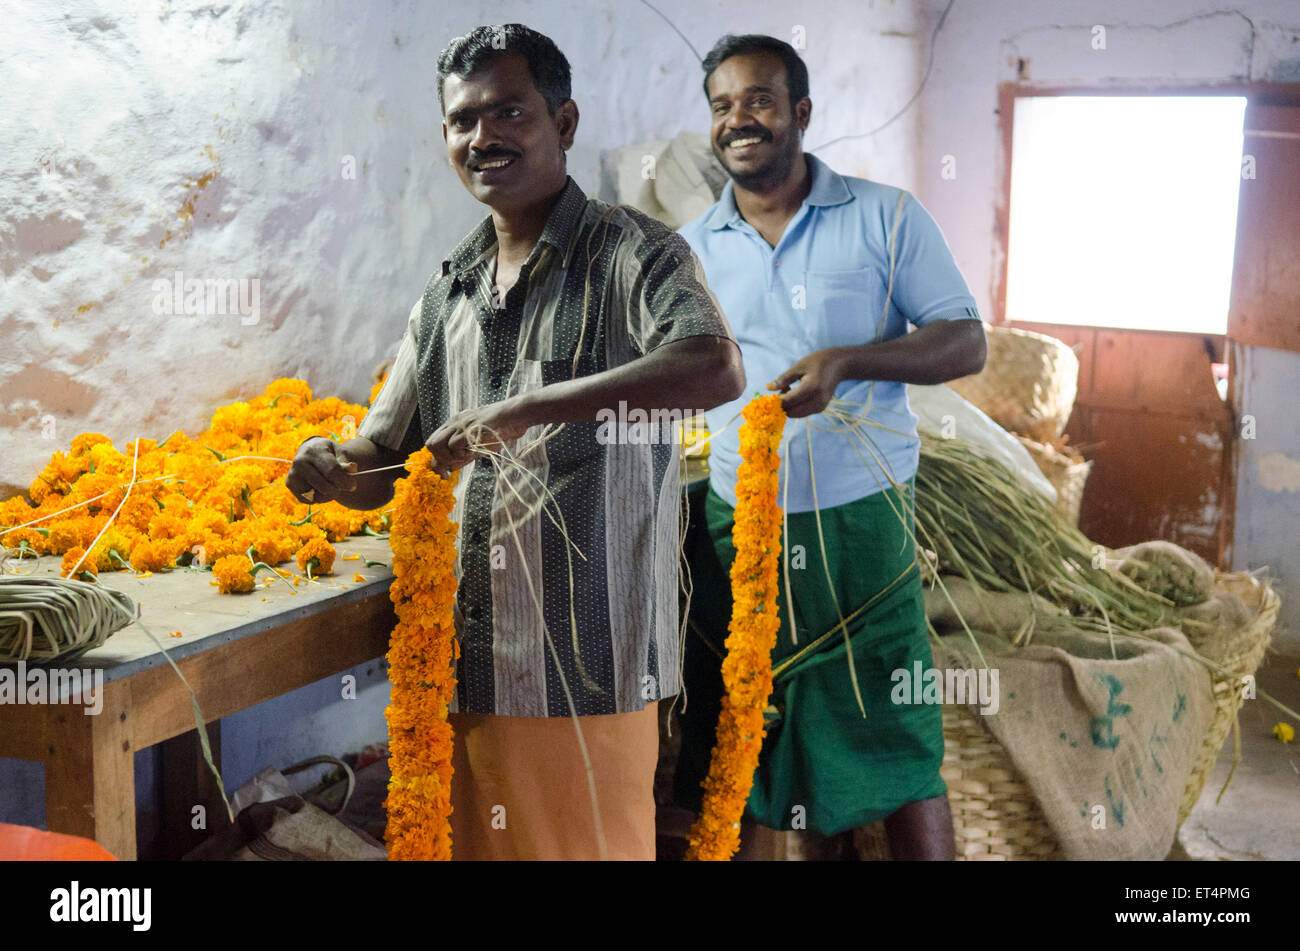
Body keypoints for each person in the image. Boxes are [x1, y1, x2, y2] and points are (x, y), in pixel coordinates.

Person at [286, 23, 744, 860]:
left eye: (509, 113)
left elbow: (714, 365)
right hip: (471, 663)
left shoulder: (633, 254)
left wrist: (534, 406)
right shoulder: (447, 292)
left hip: (585, 660)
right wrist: (330, 466)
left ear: (563, 123)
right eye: (463, 121)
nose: (483, 137)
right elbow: (382, 459)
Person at [674, 34, 987, 861]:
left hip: (861, 519)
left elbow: (965, 342)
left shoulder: (886, 216)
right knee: (763, 729)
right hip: (744, 523)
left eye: (760, 100)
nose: (740, 119)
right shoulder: (690, 248)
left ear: (802, 113)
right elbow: (675, 368)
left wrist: (851, 362)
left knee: (893, 725)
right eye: (722, 105)